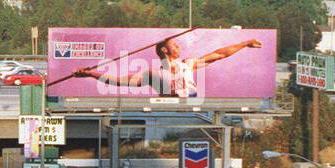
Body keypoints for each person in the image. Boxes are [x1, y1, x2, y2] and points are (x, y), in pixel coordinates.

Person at [71, 36, 263, 98]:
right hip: (170, 107)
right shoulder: (152, 73)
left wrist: (244, 43)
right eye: (175, 45)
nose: (179, 47)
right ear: (165, 50)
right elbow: (118, 81)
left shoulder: (188, 64)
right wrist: (91, 74)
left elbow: (220, 54)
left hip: (191, 105)